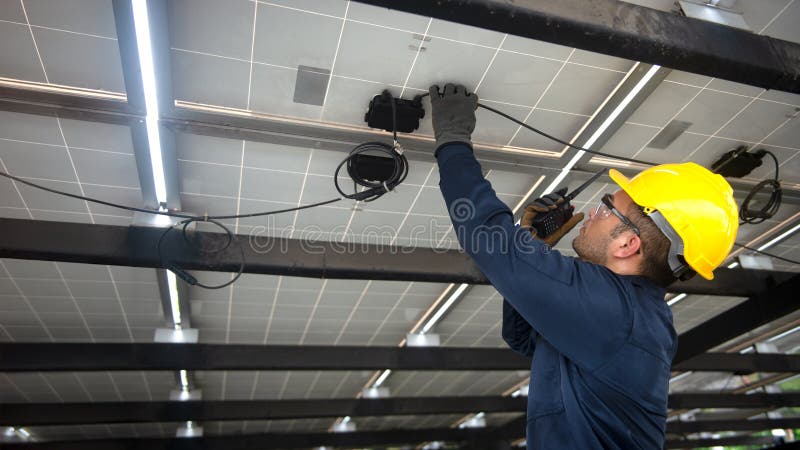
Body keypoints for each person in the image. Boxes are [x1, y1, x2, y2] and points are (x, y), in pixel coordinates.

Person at [427, 83, 738, 449]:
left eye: (607, 208)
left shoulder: (615, 310)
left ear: (627, 243)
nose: (592, 212)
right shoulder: (635, 315)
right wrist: (535, 245)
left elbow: (489, 238)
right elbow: (525, 339)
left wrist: (453, 140)